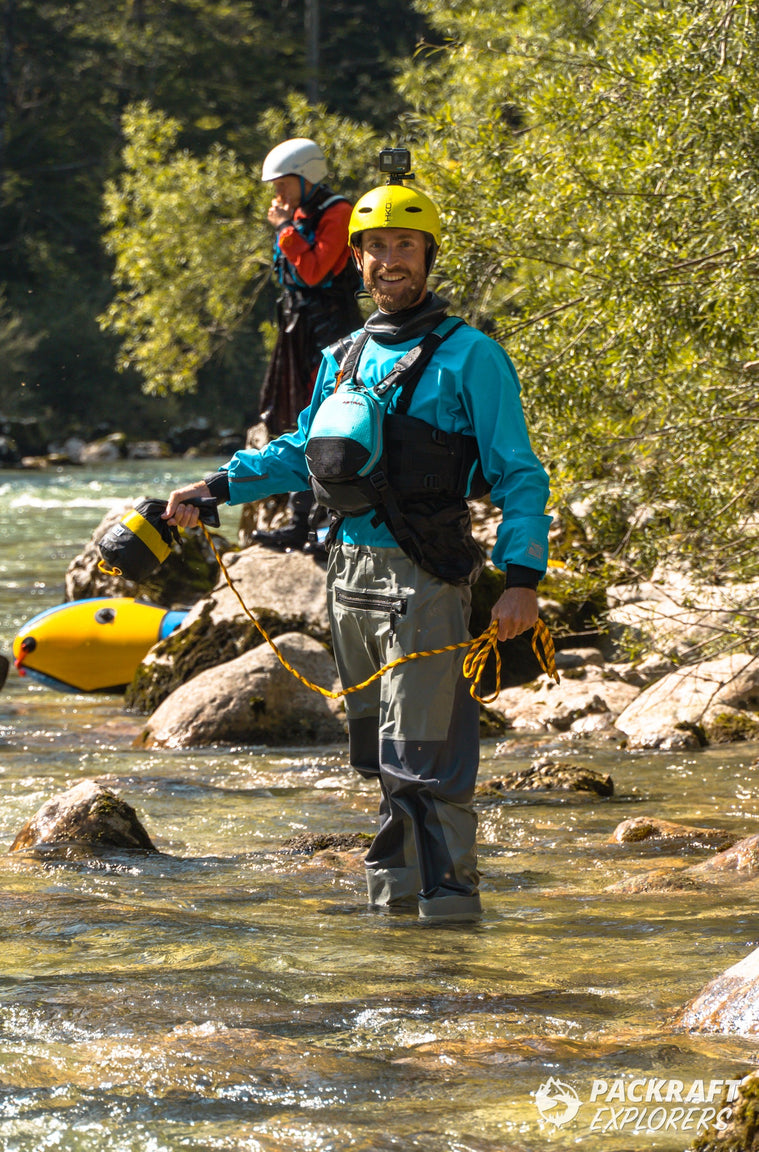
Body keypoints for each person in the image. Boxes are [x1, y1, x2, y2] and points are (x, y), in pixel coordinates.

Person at [165, 164, 551, 924]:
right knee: (380, 760)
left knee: (425, 764)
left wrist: (521, 580)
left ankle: (447, 924)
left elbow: (520, 474)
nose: (389, 261)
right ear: (357, 259)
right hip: (347, 578)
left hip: (425, 580)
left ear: (429, 255)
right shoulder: (342, 354)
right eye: (375, 247)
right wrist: (212, 488)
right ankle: (393, 932)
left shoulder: (472, 356)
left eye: (405, 245)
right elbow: (299, 451)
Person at [252, 137, 363, 552]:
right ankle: (301, 523)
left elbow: (315, 271)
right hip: (298, 331)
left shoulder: (338, 212)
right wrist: (287, 226)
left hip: (332, 331)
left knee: (328, 420)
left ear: (306, 176)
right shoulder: (300, 213)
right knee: (296, 419)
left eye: (283, 184)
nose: (278, 193)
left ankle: (324, 527)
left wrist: (284, 229)